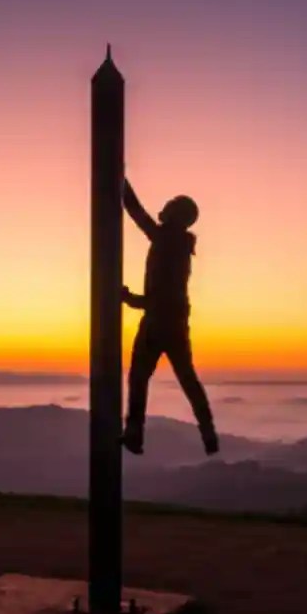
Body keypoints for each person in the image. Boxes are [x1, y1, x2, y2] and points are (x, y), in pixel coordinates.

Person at [120, 177, 218, 456]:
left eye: (171, 205)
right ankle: (208, 432)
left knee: (139, 378)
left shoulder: (166, 238)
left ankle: (135, 432)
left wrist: (119, 178)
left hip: (157, 322)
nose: (165, 207)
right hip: (175, 322)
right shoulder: (180, 246)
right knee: (187, 378)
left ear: (177, 216)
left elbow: (136, 211)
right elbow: (168, 293)